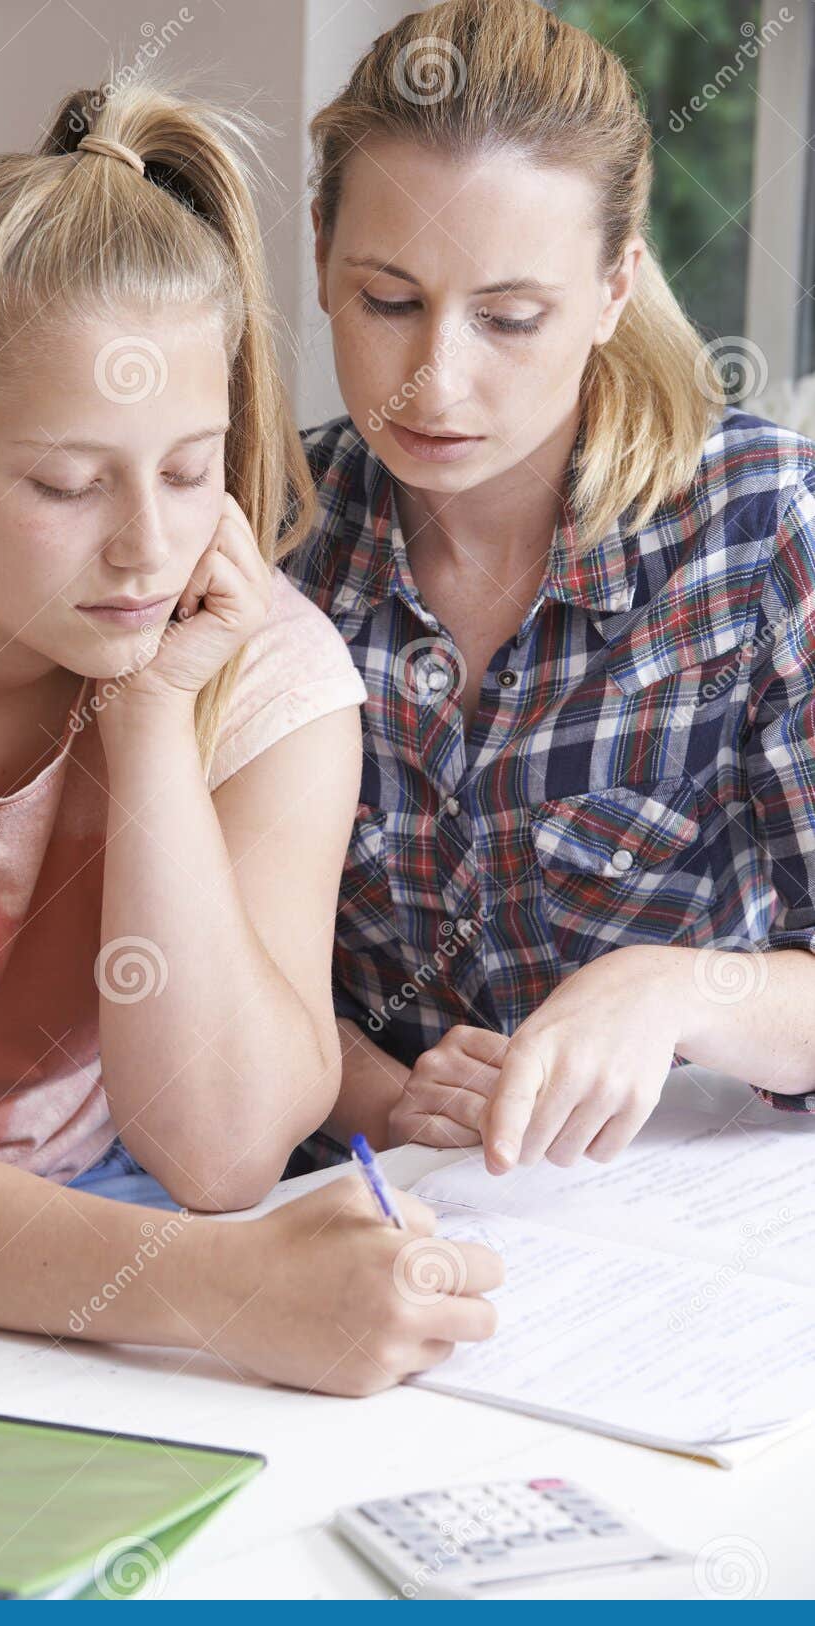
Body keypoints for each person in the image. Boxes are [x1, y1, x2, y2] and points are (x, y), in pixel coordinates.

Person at [0, 79, 501, 1393]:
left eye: (189, 467)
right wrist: (229, 1294)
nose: (149, 550)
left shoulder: (260, 659)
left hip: (86, 1242)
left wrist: (151, 717)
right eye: (65, 482)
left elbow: (223, 1153)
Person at [284, 0, 815, 1176]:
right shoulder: (269, 538)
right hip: (354, 1204)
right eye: (388, 300)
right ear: (321, 249)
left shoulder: (765, 527)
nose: (436, 381)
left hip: (675, 1214)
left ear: (616, 288)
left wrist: (671, 991)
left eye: (511, 317)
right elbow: (191, 960)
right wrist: (385, 1095)